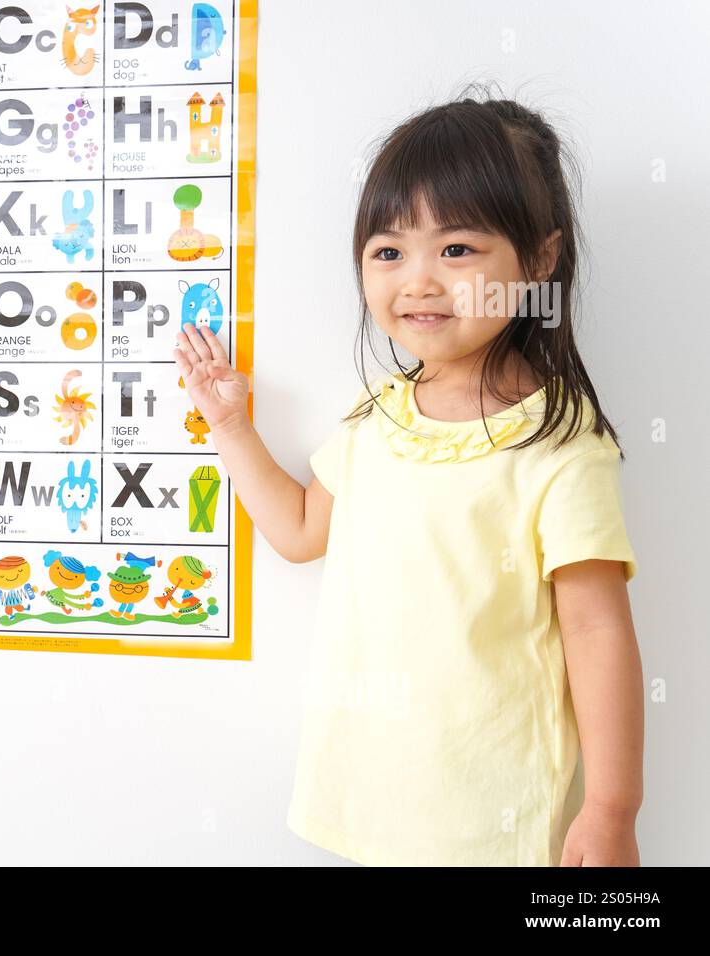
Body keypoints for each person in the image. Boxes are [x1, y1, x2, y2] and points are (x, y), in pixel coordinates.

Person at [173, 92, 642, 866]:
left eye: (456, 250)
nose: (418, 280)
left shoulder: (559, 444)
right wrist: (229, 426)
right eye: (389, 252)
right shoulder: (378, 418)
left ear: (541, 259)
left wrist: (613, 810)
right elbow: (297, 532)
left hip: (492, 818)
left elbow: (598, 632)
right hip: (362, 798)